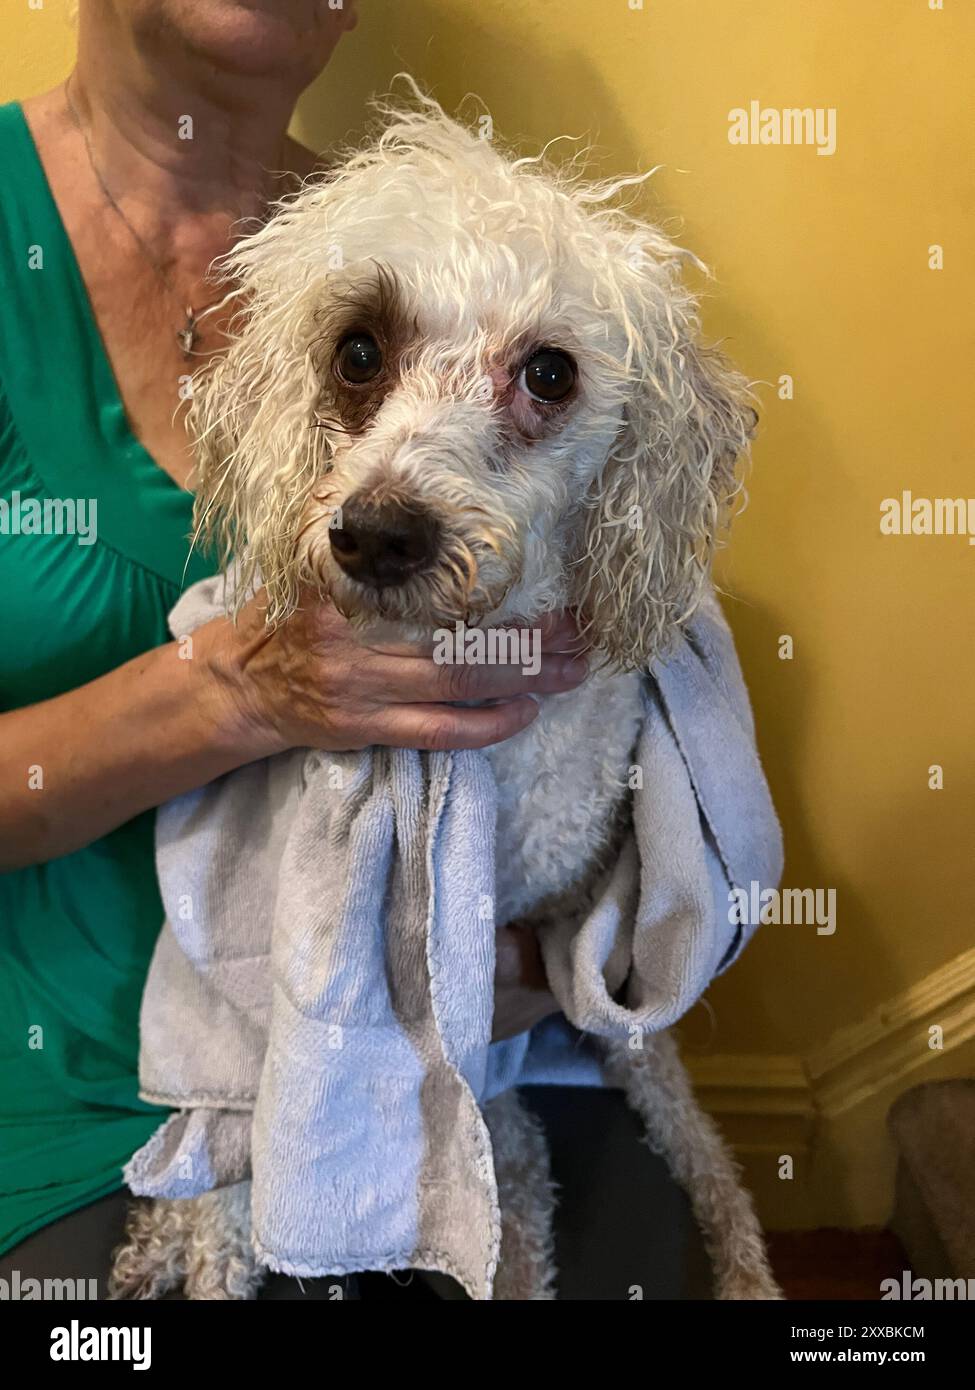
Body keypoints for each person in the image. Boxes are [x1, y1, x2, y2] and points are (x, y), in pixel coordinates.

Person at [0, 0, 709, 1300]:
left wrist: (556, 954)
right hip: (62, 1079)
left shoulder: (468, 246)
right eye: (363, 361)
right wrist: (240, 689)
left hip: (478, 1032)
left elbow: (641, 680)